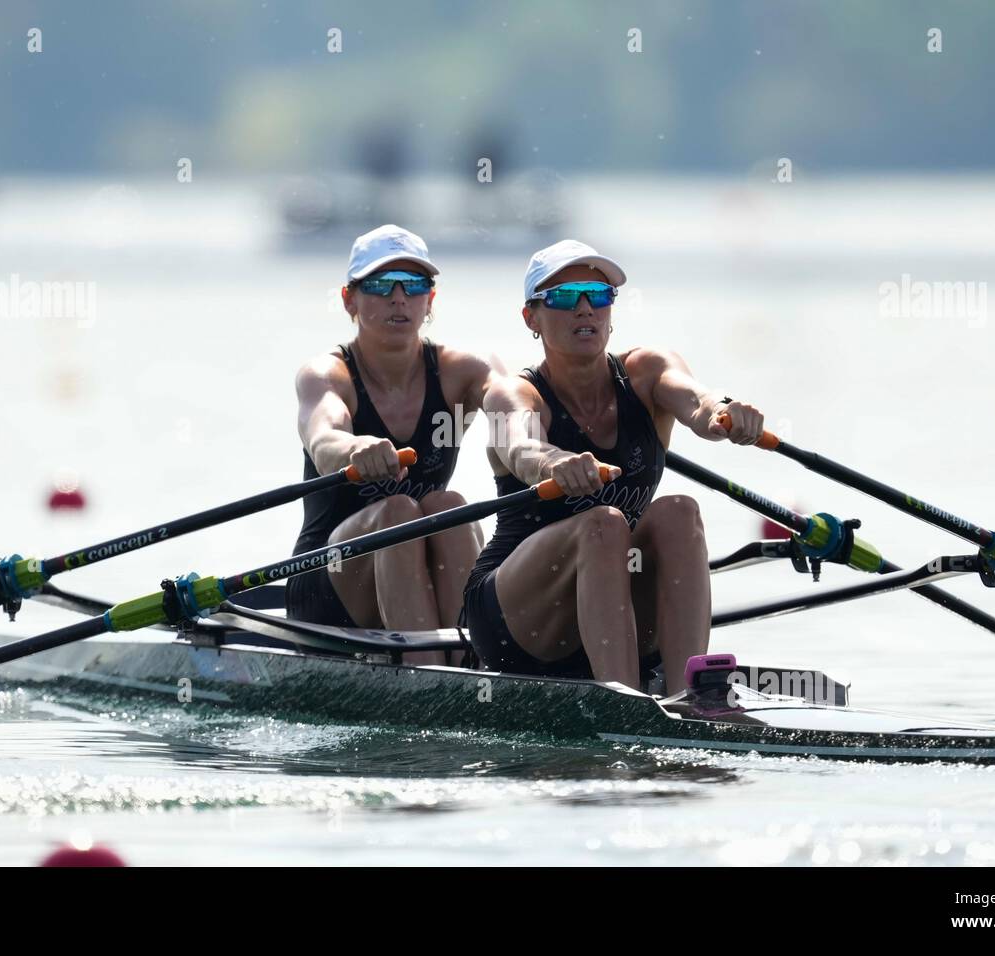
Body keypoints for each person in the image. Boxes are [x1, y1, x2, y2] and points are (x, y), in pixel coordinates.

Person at [462, 240, 765, 693]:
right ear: (531, 318)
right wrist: (555, 461)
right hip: (518, 621)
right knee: (602, 523)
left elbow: (696, 399)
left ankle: (694, 693)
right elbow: (521, 448)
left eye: (598, 296)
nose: (585, 309)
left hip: (611, 606)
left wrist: (723, 413)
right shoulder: (514, 394)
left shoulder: (648, 371)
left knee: (679, 510)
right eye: (565, 298)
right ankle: (625, 700)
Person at [289, 225, 493, 652]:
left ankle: (473, 666)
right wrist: (354, 448)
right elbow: (323, 438)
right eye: (381, 285)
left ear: (429, 301)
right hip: (329, 586)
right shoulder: (328, 374)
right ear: (349, 299)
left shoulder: (461, 373)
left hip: (416, 573)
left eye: (415, 285)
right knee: (398, 511)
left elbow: (520, 406)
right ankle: (433, 674)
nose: (399, 298)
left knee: (447, 505)